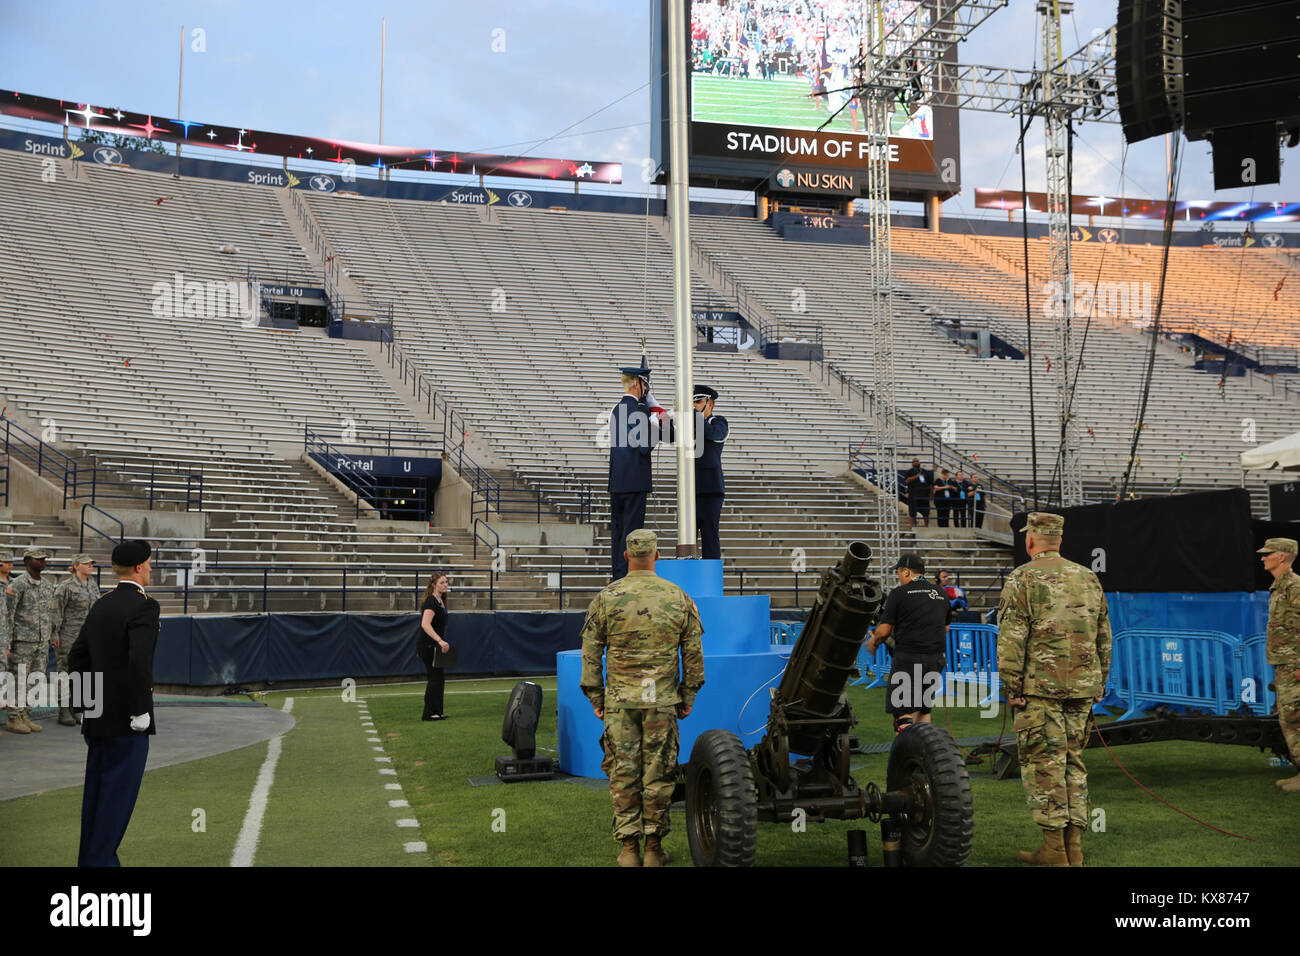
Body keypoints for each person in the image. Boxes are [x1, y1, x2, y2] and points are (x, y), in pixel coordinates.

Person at [579, 528, 704, 867]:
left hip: (620, 704)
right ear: (657, 556)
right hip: (661, 702)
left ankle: (628, 851)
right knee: (659, 774)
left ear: (626, 557)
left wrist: (596, 696)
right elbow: (693, 653)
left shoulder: (607, 596)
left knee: (623, 773)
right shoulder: (678, 596)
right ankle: (653, 850)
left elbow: (591, 650)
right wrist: (687, 696)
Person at [997, 513, 1111, 867]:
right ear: (1058, 540)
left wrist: (1011, 685)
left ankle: (1054, 851)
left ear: (1030, 540)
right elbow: (1103, 634)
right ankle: (1072, 848)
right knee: (1073, 765)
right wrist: (1099, 680)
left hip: (1039, 690)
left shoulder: (1023, 578)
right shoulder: (1088, 577)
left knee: (1044, 766)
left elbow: (1012, 637)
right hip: (1081, 687)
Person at [67, 539, 159, 867]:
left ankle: (91, 861)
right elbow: (139, 662)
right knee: (116, 802)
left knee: (95, 798)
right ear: (138, 567)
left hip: (98, 718)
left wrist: (84, 704)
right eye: (149, 563)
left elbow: (77, 656)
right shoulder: (144, 606)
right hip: (125, 720)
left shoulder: (102, 603)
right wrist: (139, 710)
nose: (151, 568)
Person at [866, 553, 950, 733]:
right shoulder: (940, 593)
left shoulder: (899, 594)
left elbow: (885, 630)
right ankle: (924, 753)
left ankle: (906, 758)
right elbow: (945, 628)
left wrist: (874, 642)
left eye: (898, 572)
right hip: (935, 659)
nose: (897, 576)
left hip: (908, 659)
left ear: (906, 572)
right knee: (923, 709)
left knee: (902, 715)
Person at [608, 362, 672, 581]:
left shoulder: (616, 409)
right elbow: (653, 442)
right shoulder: (639, 411)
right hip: (635, 482)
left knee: (618, 536)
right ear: (638, 384)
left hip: (617, 482)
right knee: (632, 536)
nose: (647, 391)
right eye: (646, 386)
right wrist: (657, 417)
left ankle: (616, 580)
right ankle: (627, 580)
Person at [1258, 537, 1300, 791]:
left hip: (1294, 666)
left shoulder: (1294, 587)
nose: (1263, 557)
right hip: (1285, 665)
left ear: (1282, 556)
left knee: (1295, 719)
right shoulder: (1280, 587)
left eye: (1268, 553)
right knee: (1290, 720)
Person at [5, 547, 57, 734]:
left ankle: (25, 714)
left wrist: (51, 635)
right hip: (22, 641)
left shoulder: (47, 585)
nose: (42, 562)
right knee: (19, 680)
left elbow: (50, 613)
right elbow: (8, 615)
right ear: (27, 561)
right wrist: (8, 642)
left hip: (42, 641)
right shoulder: (17, 585)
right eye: (38, 559)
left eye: (44, 559)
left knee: (36, 680)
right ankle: (13, 717)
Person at [53, 554, 100, 726]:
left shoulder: (93, 585)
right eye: (86, 563)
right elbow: (56, 611)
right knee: (65, 672)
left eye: (91, 563)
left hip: (88, 636)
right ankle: (64, 709)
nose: (90, 566)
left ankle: (77, 708)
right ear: (76, 566)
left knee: (84, 671)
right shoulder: (66, 586)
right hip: (68, 636)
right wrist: (54, 634)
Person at [693, 384, 728, 560]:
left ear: (710, 404)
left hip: (710, 490)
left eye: (698, 402)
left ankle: (710, 581)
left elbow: (714, 434)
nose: (694, 406)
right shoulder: (691, 424)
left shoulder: (718, 422)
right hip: (691, 489)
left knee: (710, 537)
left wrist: (692, 416)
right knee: (688, 540)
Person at [415, 571, 452, 721]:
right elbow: (425, 624)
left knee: (439, 677)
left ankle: (437, 711)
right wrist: (440, 641)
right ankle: (429, 713)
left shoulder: (440, 601)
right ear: (433, 585)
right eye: (442, 583)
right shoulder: (431, 601)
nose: (445, 585)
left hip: (435, 645)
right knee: (435, 678)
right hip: (428, 645)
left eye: (446, 582)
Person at [902, 458, 931, 529]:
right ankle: (912, 527)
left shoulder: (924, 471)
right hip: (913, 495)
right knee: (912, 512)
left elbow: (930, 483)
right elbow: (906, 480)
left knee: (926, 512)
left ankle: (926, 527)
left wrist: (931, 492)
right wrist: (916, 476)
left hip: (924, 495)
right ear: (912, 463)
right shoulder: (910, 472)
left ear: (919, 462)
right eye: (914, 461)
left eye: (917, 461)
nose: (916, 462)